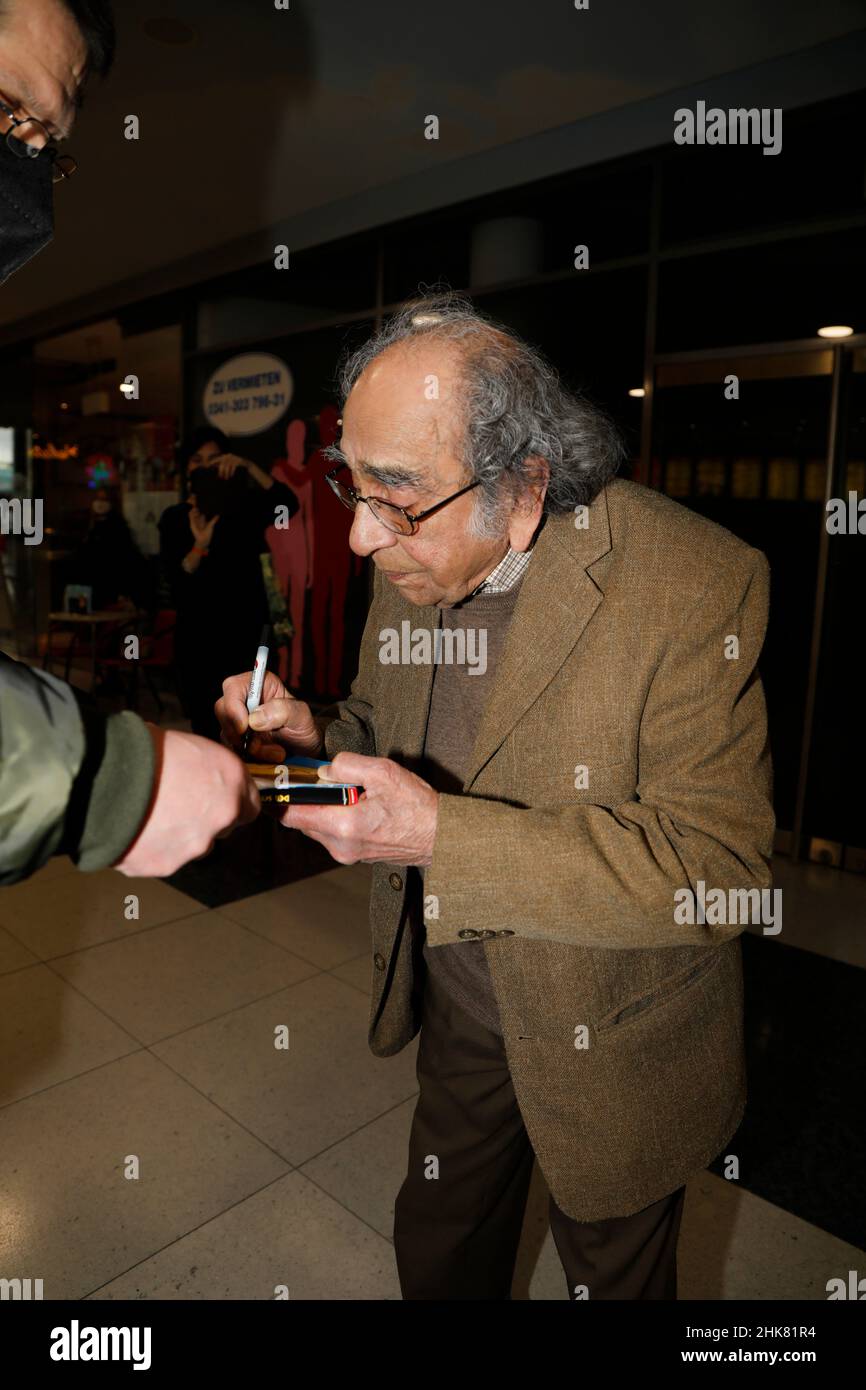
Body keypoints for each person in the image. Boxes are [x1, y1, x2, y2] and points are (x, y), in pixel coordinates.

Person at [217, 291, 775, 1301]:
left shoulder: (697, 582)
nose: (360, 542)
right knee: (439, 1245)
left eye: (396, 496)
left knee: (613, 1273)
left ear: (524, 482)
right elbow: (385, 739)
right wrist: (309, 736)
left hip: (614, 1028)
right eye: (355, 488)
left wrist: (435, 835)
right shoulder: (415, 547)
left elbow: (717, 870)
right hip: (461, 1001)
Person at [0, 0, 260, 886]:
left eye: (46, 146)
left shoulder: (234, 489)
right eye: (8, 110)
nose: (27, 172)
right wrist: (112, 780)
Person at [158, 426, 299, 739]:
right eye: (197, 459)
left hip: (245, 635)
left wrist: (247, 466)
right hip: (197, 641)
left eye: (215, 458)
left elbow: (287, 503)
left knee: (253, 728)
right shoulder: (175, 517)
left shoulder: (244, 510)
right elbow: (176, 582)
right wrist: (200, 545)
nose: (207, 465)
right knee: (205, 727)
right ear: (186, 467)